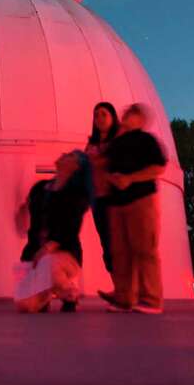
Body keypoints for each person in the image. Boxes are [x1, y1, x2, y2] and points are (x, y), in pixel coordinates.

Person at [104, 104, 167, 314]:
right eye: (127, 114)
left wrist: (130, 179)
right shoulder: (116, 144)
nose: (126, 117)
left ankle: (151, 299)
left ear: (142, 120)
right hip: (117, 203)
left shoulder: (147, 141)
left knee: (144, 250)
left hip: (140, 200)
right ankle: (124, 298)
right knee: (120, 253)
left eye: (132, 114)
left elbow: (159, 167)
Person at [14, 152, 89, 313]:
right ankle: (45, 295)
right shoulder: (40, 188)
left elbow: (70, 228)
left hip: (65, 255)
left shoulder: (76, 194)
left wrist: (47, 248)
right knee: (23, 305)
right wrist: (22, 212)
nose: (64, 155)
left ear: (76, 168)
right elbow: (27, 212)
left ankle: (70, 294)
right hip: (34, 253)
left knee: (48, 263)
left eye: (70, 157)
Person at [84, 103, 120, 304]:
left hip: (116, 200)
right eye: (96, 114)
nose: (99, 118)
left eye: (104, 114)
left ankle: (130, 290)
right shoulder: (91, 145)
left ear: (113, 117)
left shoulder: (119, 142)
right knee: (107, 245)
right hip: (98, 201)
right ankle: (119, 289)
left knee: (121, 245)